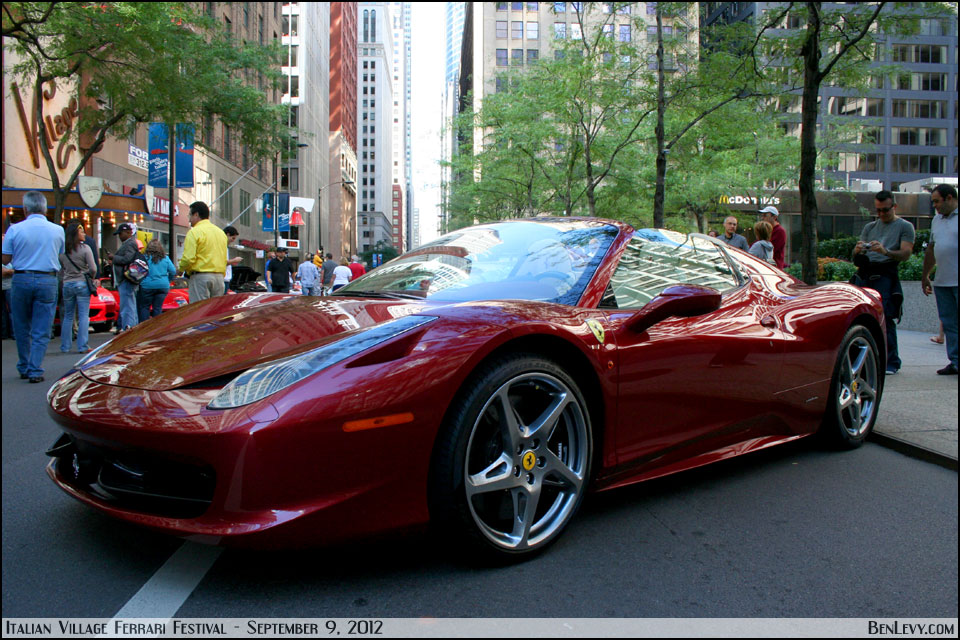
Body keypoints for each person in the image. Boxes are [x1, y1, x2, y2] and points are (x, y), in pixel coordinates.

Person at [1, 191, 65, 383]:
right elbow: (59, 254)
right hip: (48, 279)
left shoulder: (15, 229)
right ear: (45, 208)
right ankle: (35, 368)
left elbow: (6, 259)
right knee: (42, 327)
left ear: (25, 208)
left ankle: (24, 365)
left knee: (21, 325)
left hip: (21, 278)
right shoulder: (57, 230)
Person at [852, 190, 915, 376]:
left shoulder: (905, 226)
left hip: (886, 273)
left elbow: (906, 254)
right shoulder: (870, 228)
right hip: (865, 272)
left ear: (894, 207)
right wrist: (857, 251)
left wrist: (885, 251)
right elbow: (855, 258)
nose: (881, 214)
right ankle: (866, 358)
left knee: (886, 317)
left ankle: (891, 360)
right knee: (862, 316)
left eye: (885, 210)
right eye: (878, 211)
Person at [922, 184, 958, 376]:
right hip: (943, 281)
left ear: (949, 198)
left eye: (937, 201)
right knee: (950, 322)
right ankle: (956, 362)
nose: (934, 205)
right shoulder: (936, 220)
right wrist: (925, 275)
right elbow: (931, 249)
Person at [58, 221, 97, 353]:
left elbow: (61, 269)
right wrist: (91, 276)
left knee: (68, 315)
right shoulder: (85, 248)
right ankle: (82, 346)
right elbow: (93, 268)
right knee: (83, 315)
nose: (84, 233)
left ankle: (65, 346)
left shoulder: (63, 252)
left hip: (67, 284)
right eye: (81, 231)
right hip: (81, 283)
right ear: (76, 233)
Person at [178, 201, 228, 302]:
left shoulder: (194, 232)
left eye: (190, 215)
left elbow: (188, 258)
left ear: (196, 214)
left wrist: (180, 269)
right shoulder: (220, 233)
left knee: (199, 312)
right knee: (215, 312)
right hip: (219, 277)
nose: (189, 219)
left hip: (201, 277)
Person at [111, 222, 141, 332]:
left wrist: (114, 258)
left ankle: (128, 328)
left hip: (126, 279)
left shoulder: (130, 244)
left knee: (127, 306)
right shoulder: (129, 243)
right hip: (126, 279)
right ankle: (132, 328)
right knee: (130, 305)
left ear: (128, 232)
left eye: (120, 233)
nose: (119, 236)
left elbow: (127, 259)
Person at [137, 240, 177, 322]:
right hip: (163, 285)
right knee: (158, 308)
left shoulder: (145, 258)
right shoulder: (165, 258)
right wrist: (168, 280)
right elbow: (173, 271)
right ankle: (156, 328)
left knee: (144, 307)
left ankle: (144, 328)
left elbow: (138, 271)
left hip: (146, 285)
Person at [222, 225, 242, 293]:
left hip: (225, 278)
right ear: (227, 235)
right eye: (233, 238)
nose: (233, 241)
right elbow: (222, 262)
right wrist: (234, 260)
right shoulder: (222, 247)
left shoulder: (225, 247)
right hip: (223, 279)